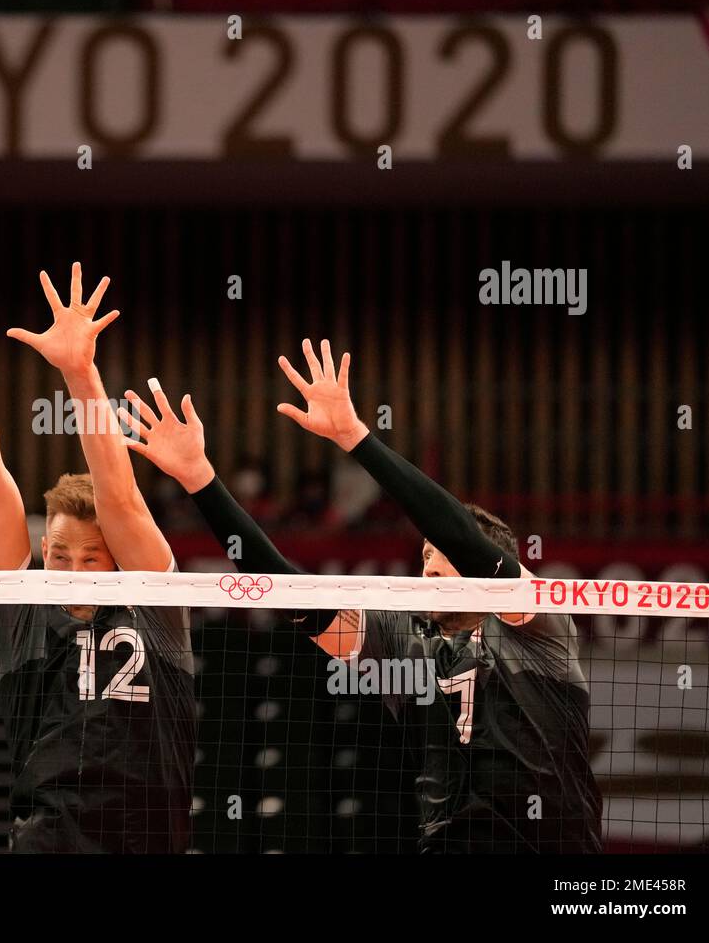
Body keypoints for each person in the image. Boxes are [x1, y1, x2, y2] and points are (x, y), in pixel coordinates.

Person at [119, 338, 602, 853]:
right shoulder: (408, 646)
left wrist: (354, 436)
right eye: (422, 558)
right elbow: (295, 596)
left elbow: (459, 534)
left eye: (440, 554)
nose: (428, 568)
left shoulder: (537, 626)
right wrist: (201, 480)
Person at [0, 264, 196, 853]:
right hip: (47, 840)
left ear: (119, 565)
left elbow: (122, 498)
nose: (74, 571)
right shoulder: (24, 616)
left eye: (92, 558)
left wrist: (79, 373)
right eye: (59, 555)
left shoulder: (157, 617)